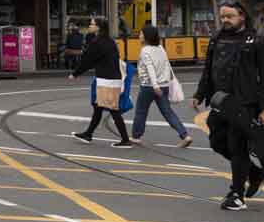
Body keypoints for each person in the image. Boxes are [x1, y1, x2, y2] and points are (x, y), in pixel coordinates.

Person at [193, 0, 264, 211]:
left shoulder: (258, 40)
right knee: (217, 142)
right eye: (222, 17)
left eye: (230, 16)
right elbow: (208, 70)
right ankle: (256, 174)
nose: (225, 20)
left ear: (242, 16)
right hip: (220, 103)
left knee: (237, 146)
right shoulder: (217, 39)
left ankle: (236, 194)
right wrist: (200, 94)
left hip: (245, 103)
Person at [69, 16, 132, 147]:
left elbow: (87, 60)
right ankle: (88, 134)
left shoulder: (97, 42)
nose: (90, 26)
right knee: (98, 107)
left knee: (112, 110)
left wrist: (75, 74)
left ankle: (125, 140)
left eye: (92, 24)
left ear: (98, 27)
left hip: (106, 80)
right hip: (112, 79)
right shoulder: (109, 41)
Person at [131, 25, 190, 147]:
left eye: (141, 34)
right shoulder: (161, 48)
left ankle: (136, 136)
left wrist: (155, 85)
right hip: (164, 85)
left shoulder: (145, 51)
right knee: (167, 112)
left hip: (149, 86)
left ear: (146, 36)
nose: (139, 36)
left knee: (141, 111)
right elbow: (166, 66)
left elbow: (150, 68)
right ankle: (184, 135)